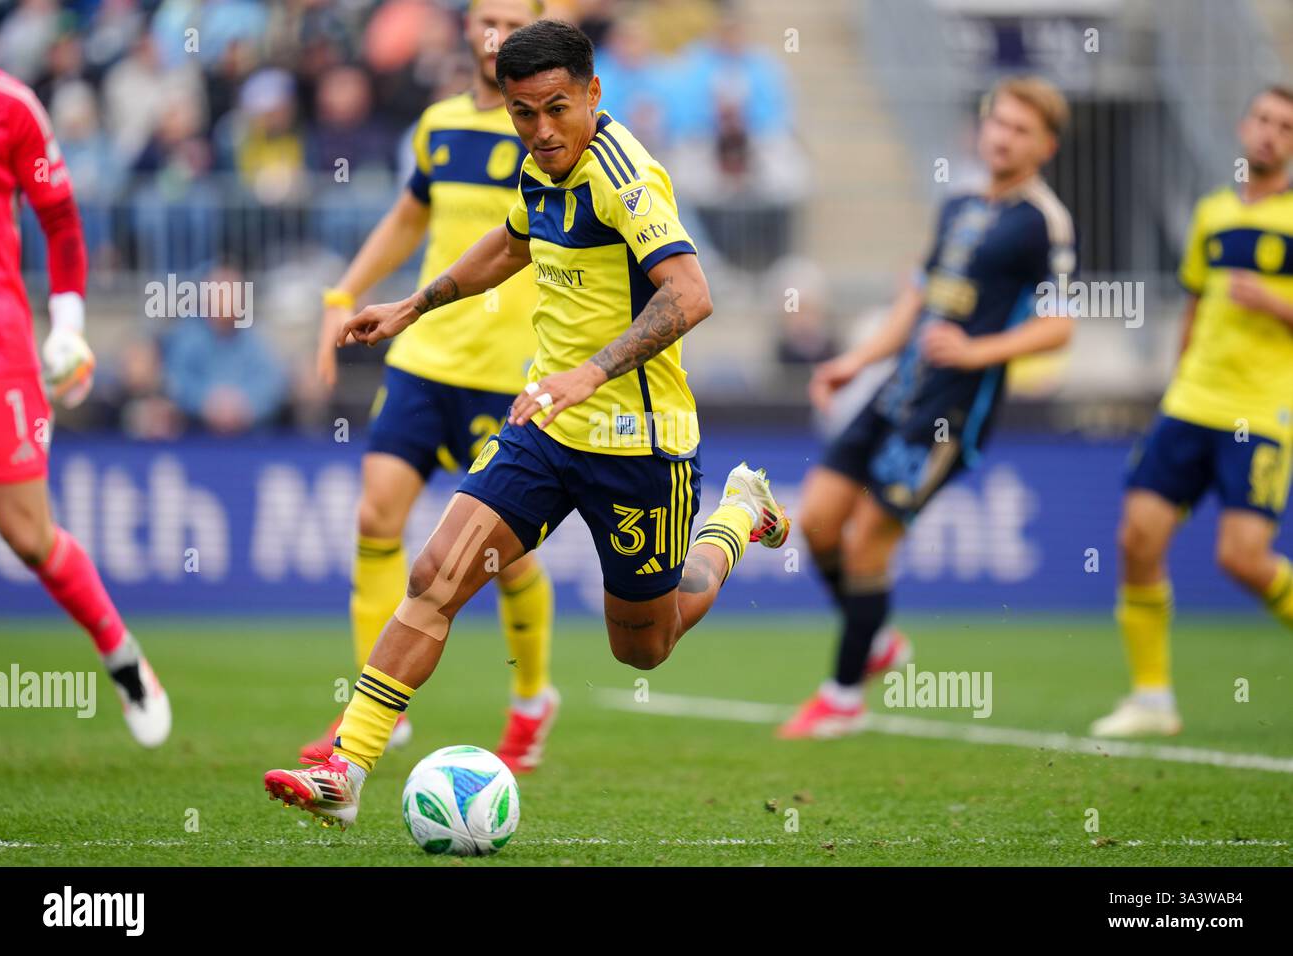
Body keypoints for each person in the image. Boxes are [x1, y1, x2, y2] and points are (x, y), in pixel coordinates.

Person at [263, 19, 788, 828]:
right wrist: (412, 304)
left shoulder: (627, 177)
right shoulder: (539, 164)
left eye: (556, 109)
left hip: (637, 441)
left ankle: (735, 514)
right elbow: (511, 243)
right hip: (544, 426)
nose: (541, 130)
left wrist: (590, 373)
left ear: (592, 94)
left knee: (643, 646)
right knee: (435, 574)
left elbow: (691, 294)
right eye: (523, 113)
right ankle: (349, 767)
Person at [301, 0, 559, 774]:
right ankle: (379, 711)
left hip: (510, 371)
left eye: (514, 20)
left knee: (500, 558)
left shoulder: (550, 133)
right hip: (424, 358)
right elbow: (409, 218)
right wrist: (342, 295)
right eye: (486, 18)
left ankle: (532, 699)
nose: (496, 33)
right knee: (377, 514)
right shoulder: (438, 124)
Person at [779, 75, 1077, 739]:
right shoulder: (958, 203)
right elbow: (916, 300)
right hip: (896, 391)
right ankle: (876, 638)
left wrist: (979, 351)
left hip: (949, 412)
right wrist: (857, 361)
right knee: (819, 524)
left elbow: (1060, 326)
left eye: (1020, 129)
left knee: (866, 546)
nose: (1002, 135)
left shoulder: (1043, 223)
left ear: (1045, 146)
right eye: (998, 121)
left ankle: (844, 695)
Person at [1092, 86, 1293, 737]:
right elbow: (1195, 306)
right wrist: (1175, 382)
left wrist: (1272, 303)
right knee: (1135, 539)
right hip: (1190, 403)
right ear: (1244, 126)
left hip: (1262, 411)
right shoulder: (1211, 211)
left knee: (1242, 559)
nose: (1269, 134)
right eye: (1263, 119)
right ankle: (1152, 699)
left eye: (1285, 127)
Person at [0, 65, 170, 746]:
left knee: (28, 533)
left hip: (2, 344)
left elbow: (61, 221)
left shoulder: (12, 107)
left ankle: (121, 654)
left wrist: (67, 329)